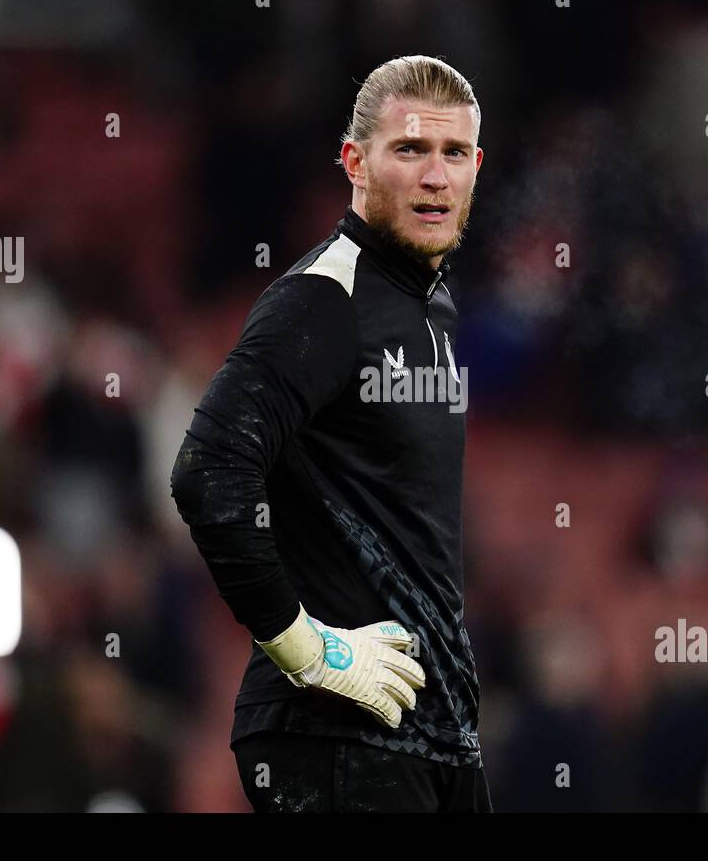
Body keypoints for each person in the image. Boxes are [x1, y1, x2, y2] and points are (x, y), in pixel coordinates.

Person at [171, 55, 490, 811]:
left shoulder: (434, 308)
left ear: (476, 168)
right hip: (336, 728)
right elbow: (208, 471)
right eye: (409, 149)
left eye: (453, 153)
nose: (435, 176)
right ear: (355, 163)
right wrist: (308, 649)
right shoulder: (323, 297)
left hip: (427, 726)